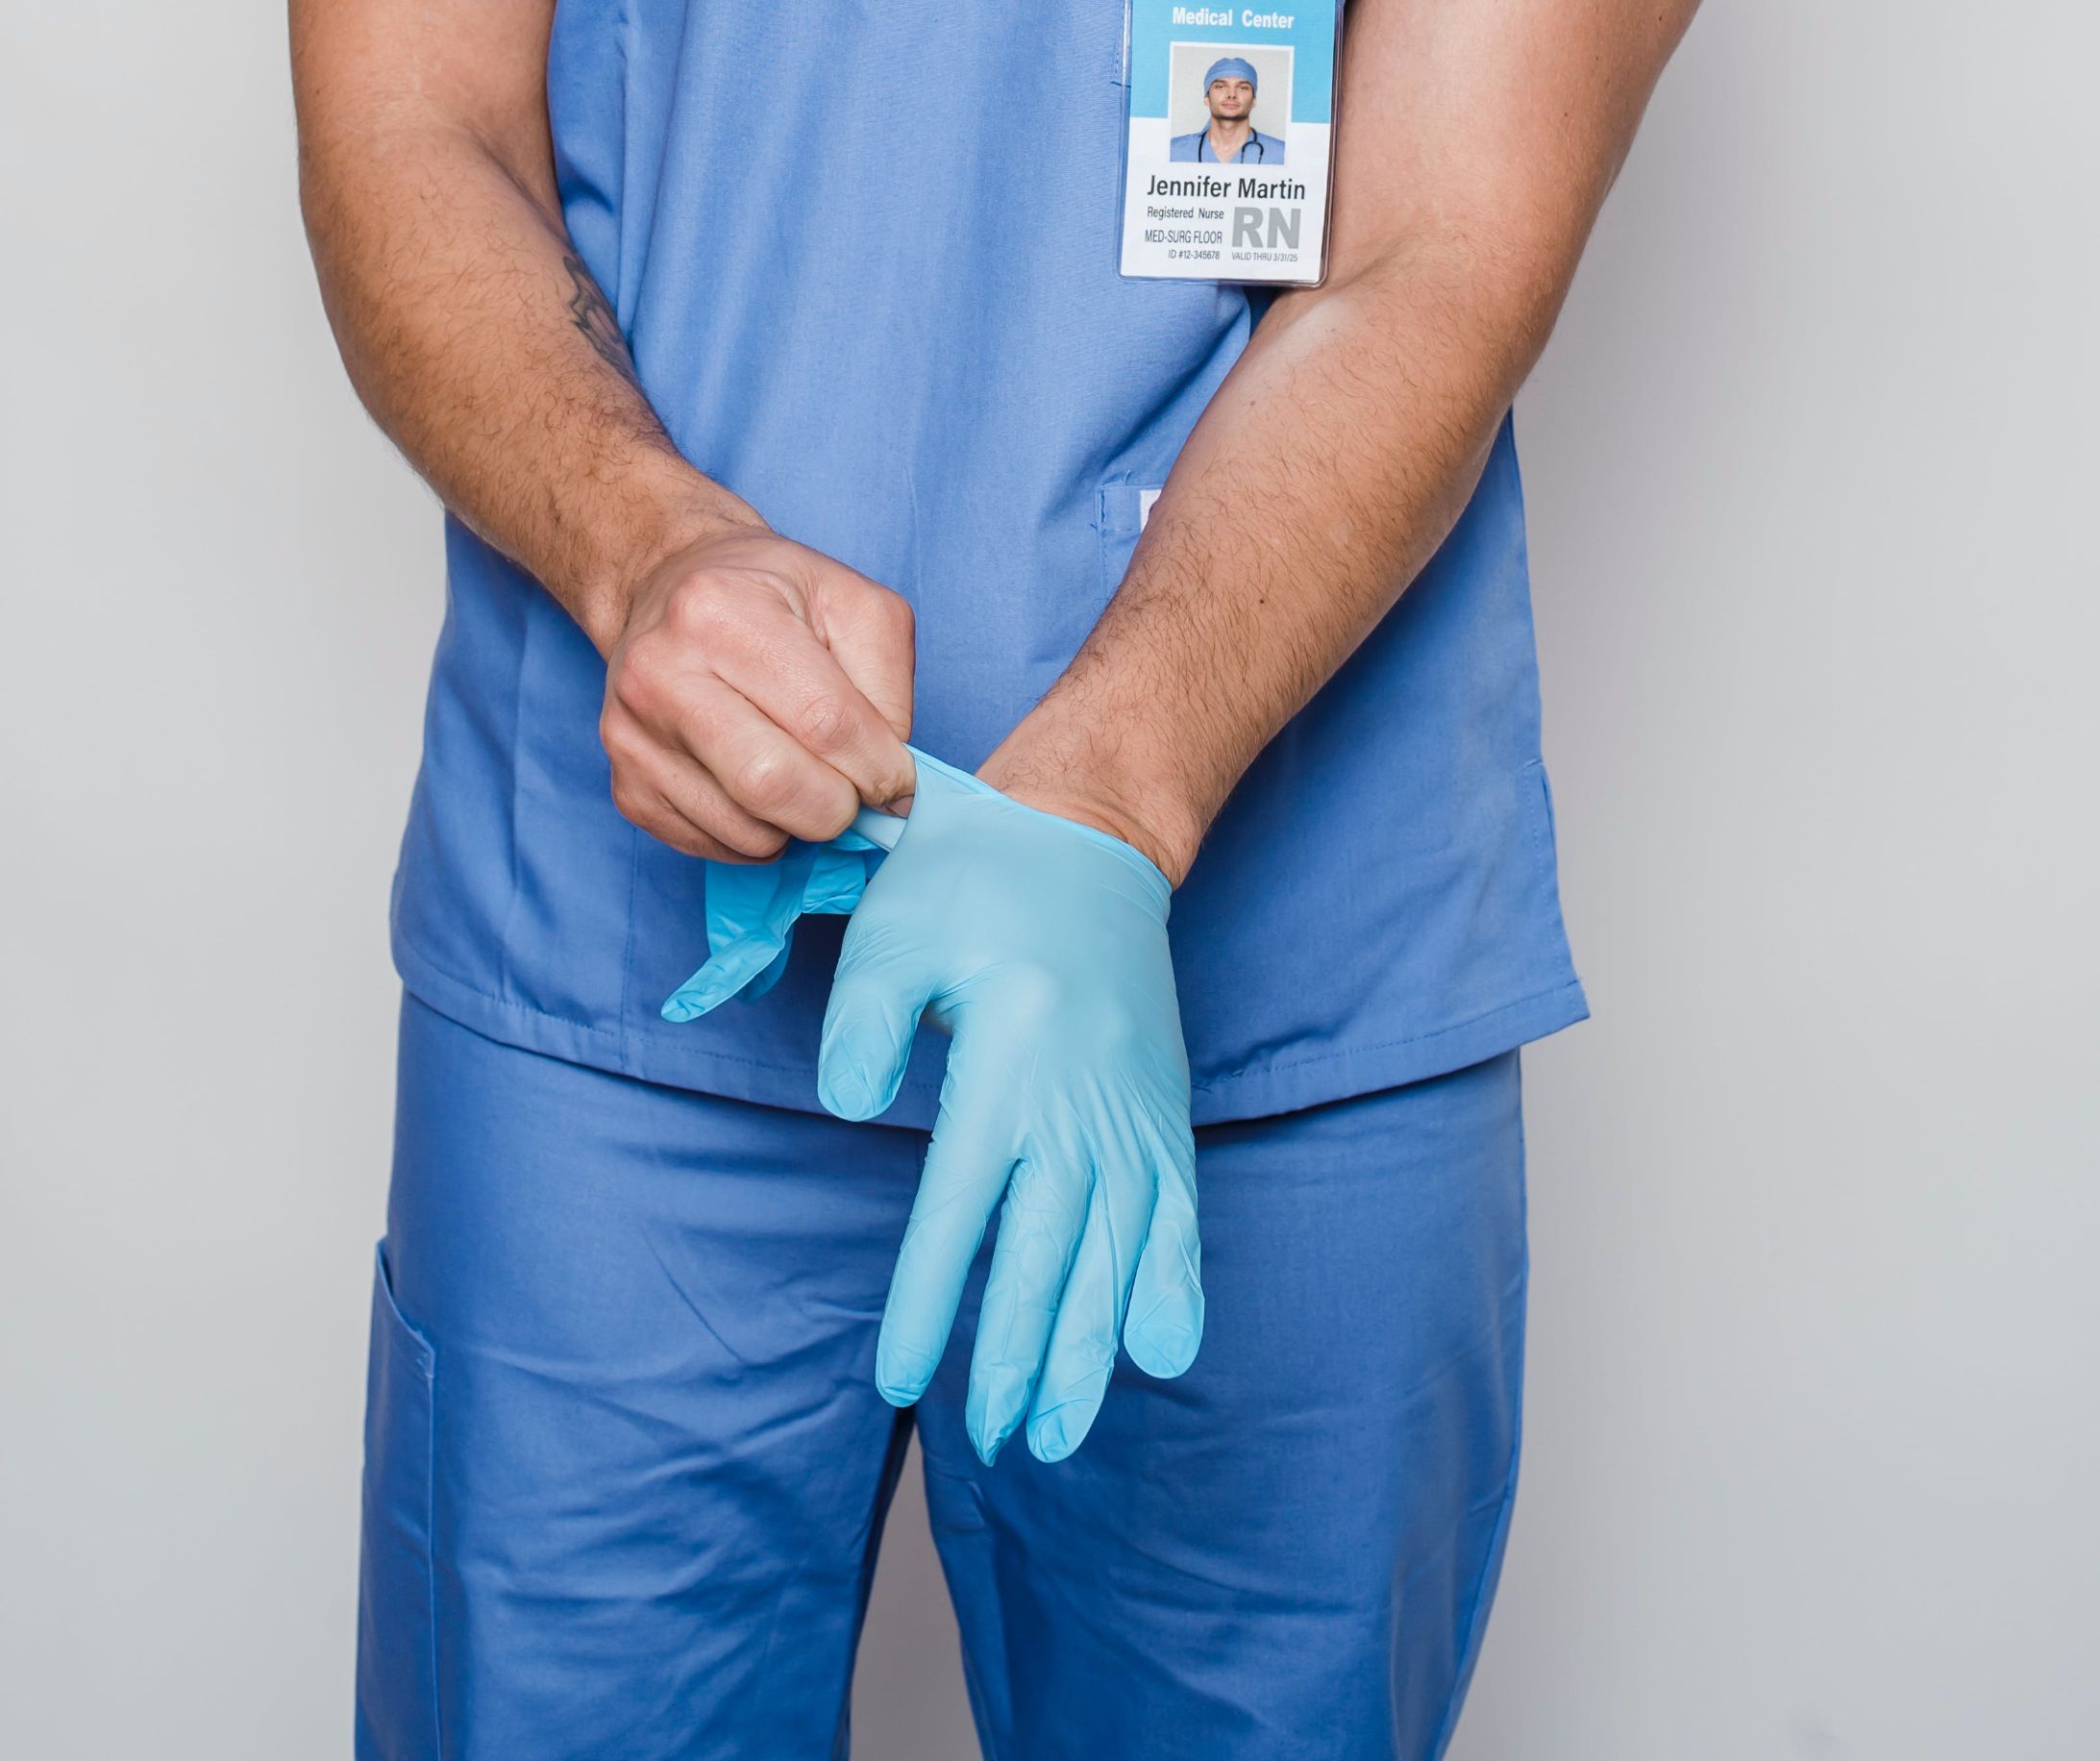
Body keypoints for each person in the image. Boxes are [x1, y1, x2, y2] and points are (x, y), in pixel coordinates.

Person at [291, 1, 1698, 1755]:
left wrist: (1114, 788)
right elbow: (415, 120)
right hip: (630, 974)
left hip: (1285, 995)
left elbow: (1445, 235)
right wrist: (646, 546)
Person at [1170, 55, 1287, 163]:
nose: (1231, 94)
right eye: (1220, 87)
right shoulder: (1173, 151)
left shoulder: (1282, 154)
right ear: (1206, 98)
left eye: (1243, 88)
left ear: (1254, 100)